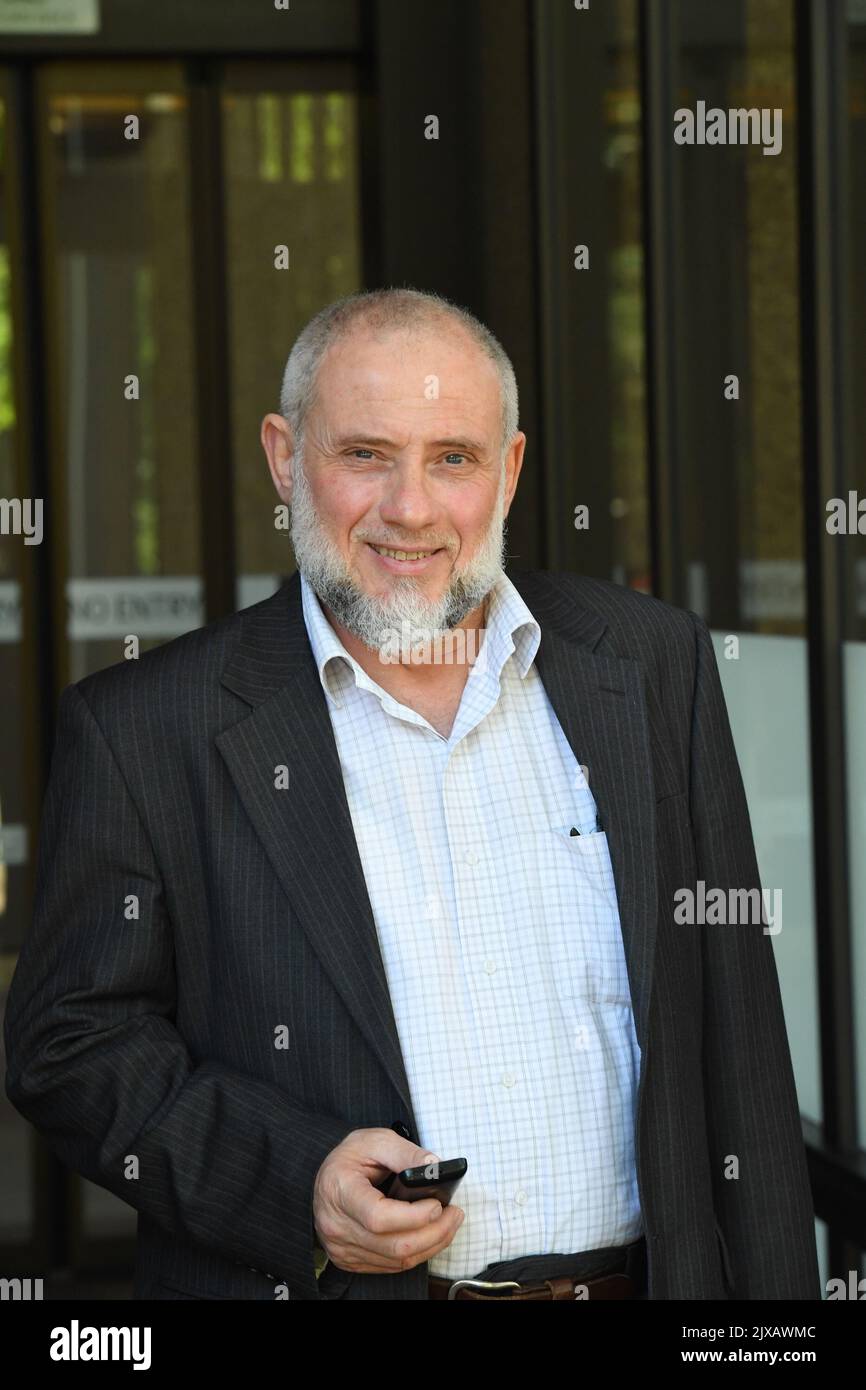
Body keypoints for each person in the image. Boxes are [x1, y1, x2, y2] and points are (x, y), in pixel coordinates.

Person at [4, 287, 820, 1301]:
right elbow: (69, 1045)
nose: (411, 508)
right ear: (284, 457)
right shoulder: (143, 729)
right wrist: (293, 1180)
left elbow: (735, 1034)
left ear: (510, 469)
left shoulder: (651, 663)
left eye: (452, 457)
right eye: (364, 454)